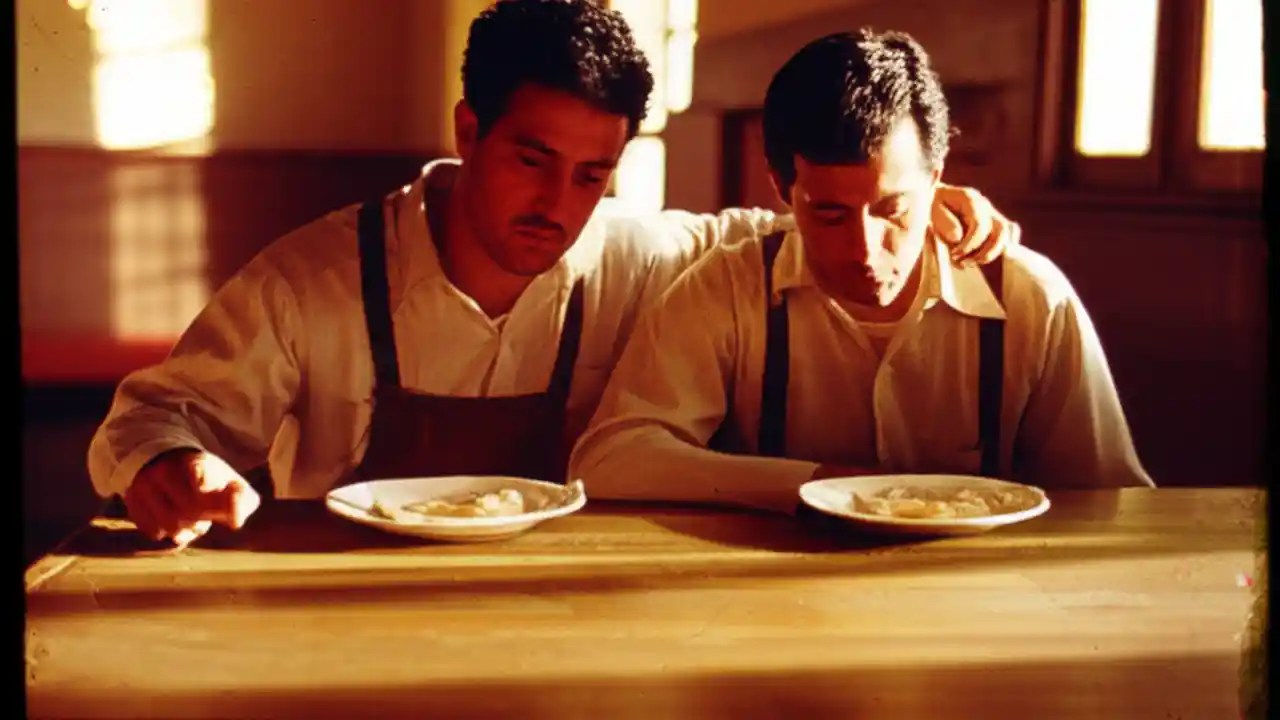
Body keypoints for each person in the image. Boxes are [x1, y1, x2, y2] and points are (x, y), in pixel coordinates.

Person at [86, 2, 1020, 545]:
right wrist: (170, 465)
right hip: (343, 606)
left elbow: (789, 230)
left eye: (592, 174)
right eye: (532, 160)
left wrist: (936, 211)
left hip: (572, 609)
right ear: (467, 131)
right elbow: (151, 416)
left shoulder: (640, 253)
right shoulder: (312, 280)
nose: (559, 205)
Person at [568, 29, 1154, 515]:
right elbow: (611, 458)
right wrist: (819, 482)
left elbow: (1112, 496)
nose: (865, 250)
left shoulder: (1029, 298)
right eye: (828, 213)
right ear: (781, 190)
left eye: (892, 209)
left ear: (939, 175)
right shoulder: (730, 285)